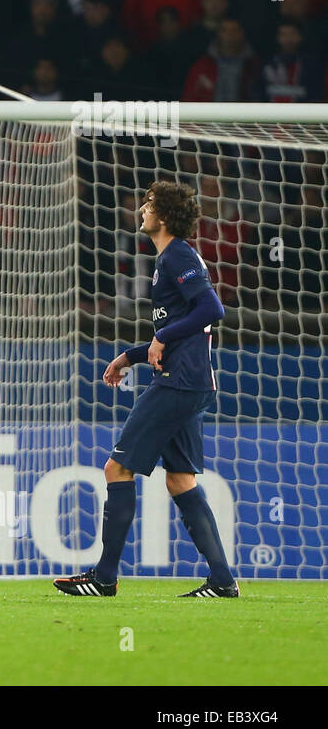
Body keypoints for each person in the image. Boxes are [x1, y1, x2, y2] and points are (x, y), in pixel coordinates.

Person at [55, 181, 237, 599]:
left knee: (117, 469)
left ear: (166, 216)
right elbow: (182, 327)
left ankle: (104, 577)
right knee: (180, 480)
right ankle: (223, 581)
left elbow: (212, 310)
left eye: (150, 204)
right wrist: (132, 355)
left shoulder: (177, 255)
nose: (141, 209)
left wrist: (160, 339)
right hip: (189, 381)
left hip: (179, 382)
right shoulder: (168, 259)